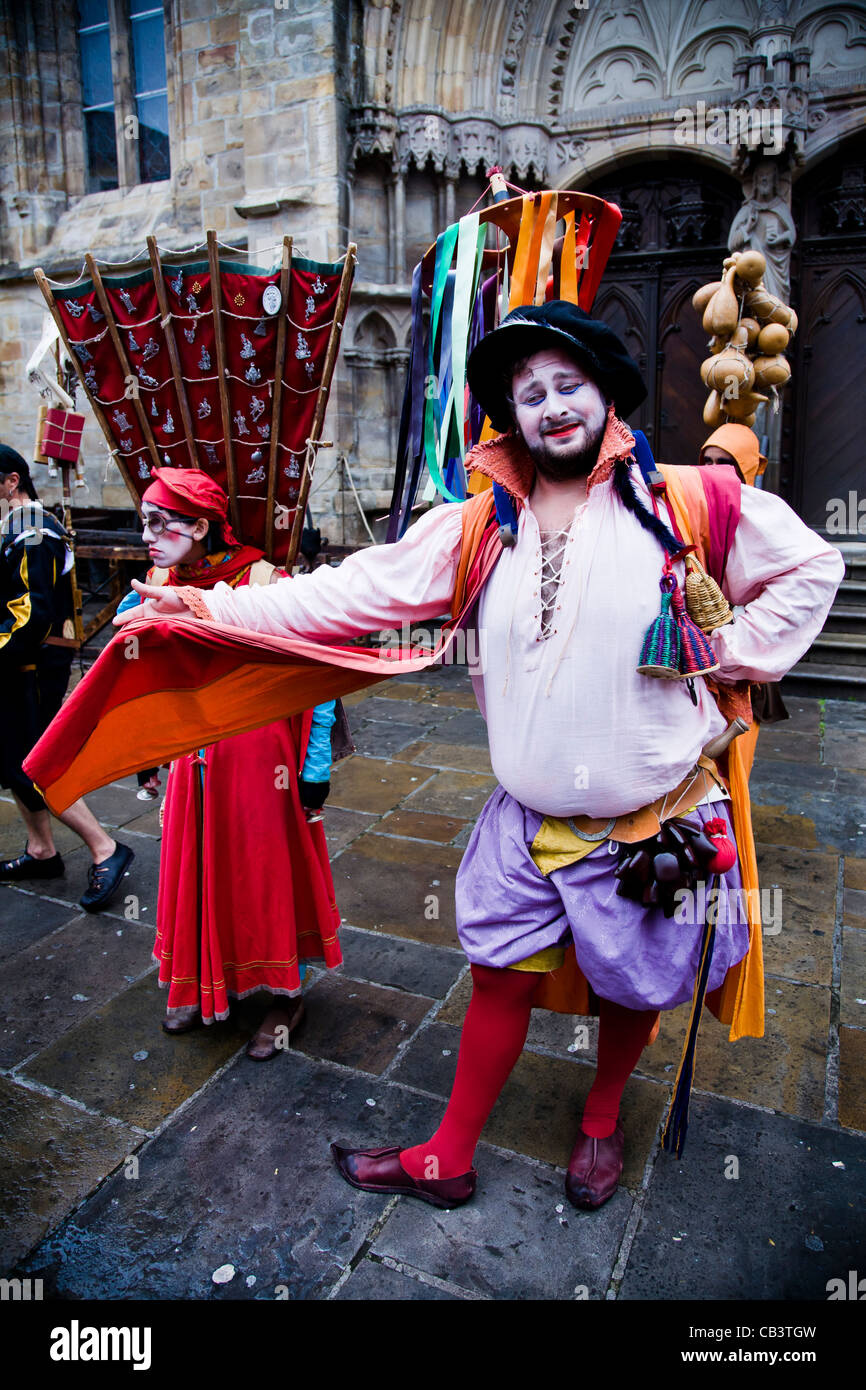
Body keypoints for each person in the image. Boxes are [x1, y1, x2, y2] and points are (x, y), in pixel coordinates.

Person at [107, 303, 844, 1210]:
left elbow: (814, 566)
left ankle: (603, 1122)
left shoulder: (691, 500)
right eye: (529, 393)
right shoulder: (478, 526)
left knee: (632, 988)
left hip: (654, 820)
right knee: (497, 977)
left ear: (607, 393)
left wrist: (726, 648)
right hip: (525, 819)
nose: (552, 406)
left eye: (568, 385)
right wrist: (209, 611)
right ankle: (445, 1157)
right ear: (512, 414)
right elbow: (350, 592)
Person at [116, 467, 342, 1058]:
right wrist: (144, 743)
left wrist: (314, 766)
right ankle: (204, 978)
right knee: (195, 860)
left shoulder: (267, 579)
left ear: (200, 524)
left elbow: (315, 674)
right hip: (190, 753)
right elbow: (133, 668)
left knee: (261, 866)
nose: (147, 534)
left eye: (159, 521)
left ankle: (287, 993)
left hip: (259, 751)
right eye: (143, 521)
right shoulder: (158, 581)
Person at [0, 444, 133, 910]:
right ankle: (42, 850)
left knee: (35, 763)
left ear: (11, 481)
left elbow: (30, 615)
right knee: (12, 758)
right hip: (15, 663)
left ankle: (105, 847)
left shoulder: (32, 529)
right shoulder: (12, 526)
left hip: (33, 663)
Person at [697, 422, 789, 734]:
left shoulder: (768, 517)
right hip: (702, 648)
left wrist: (744, 625)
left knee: (739, 737)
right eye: (707, 462)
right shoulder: (698, 506)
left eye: (724, 462)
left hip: (741, 647)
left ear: (744, 466)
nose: (713, 470)